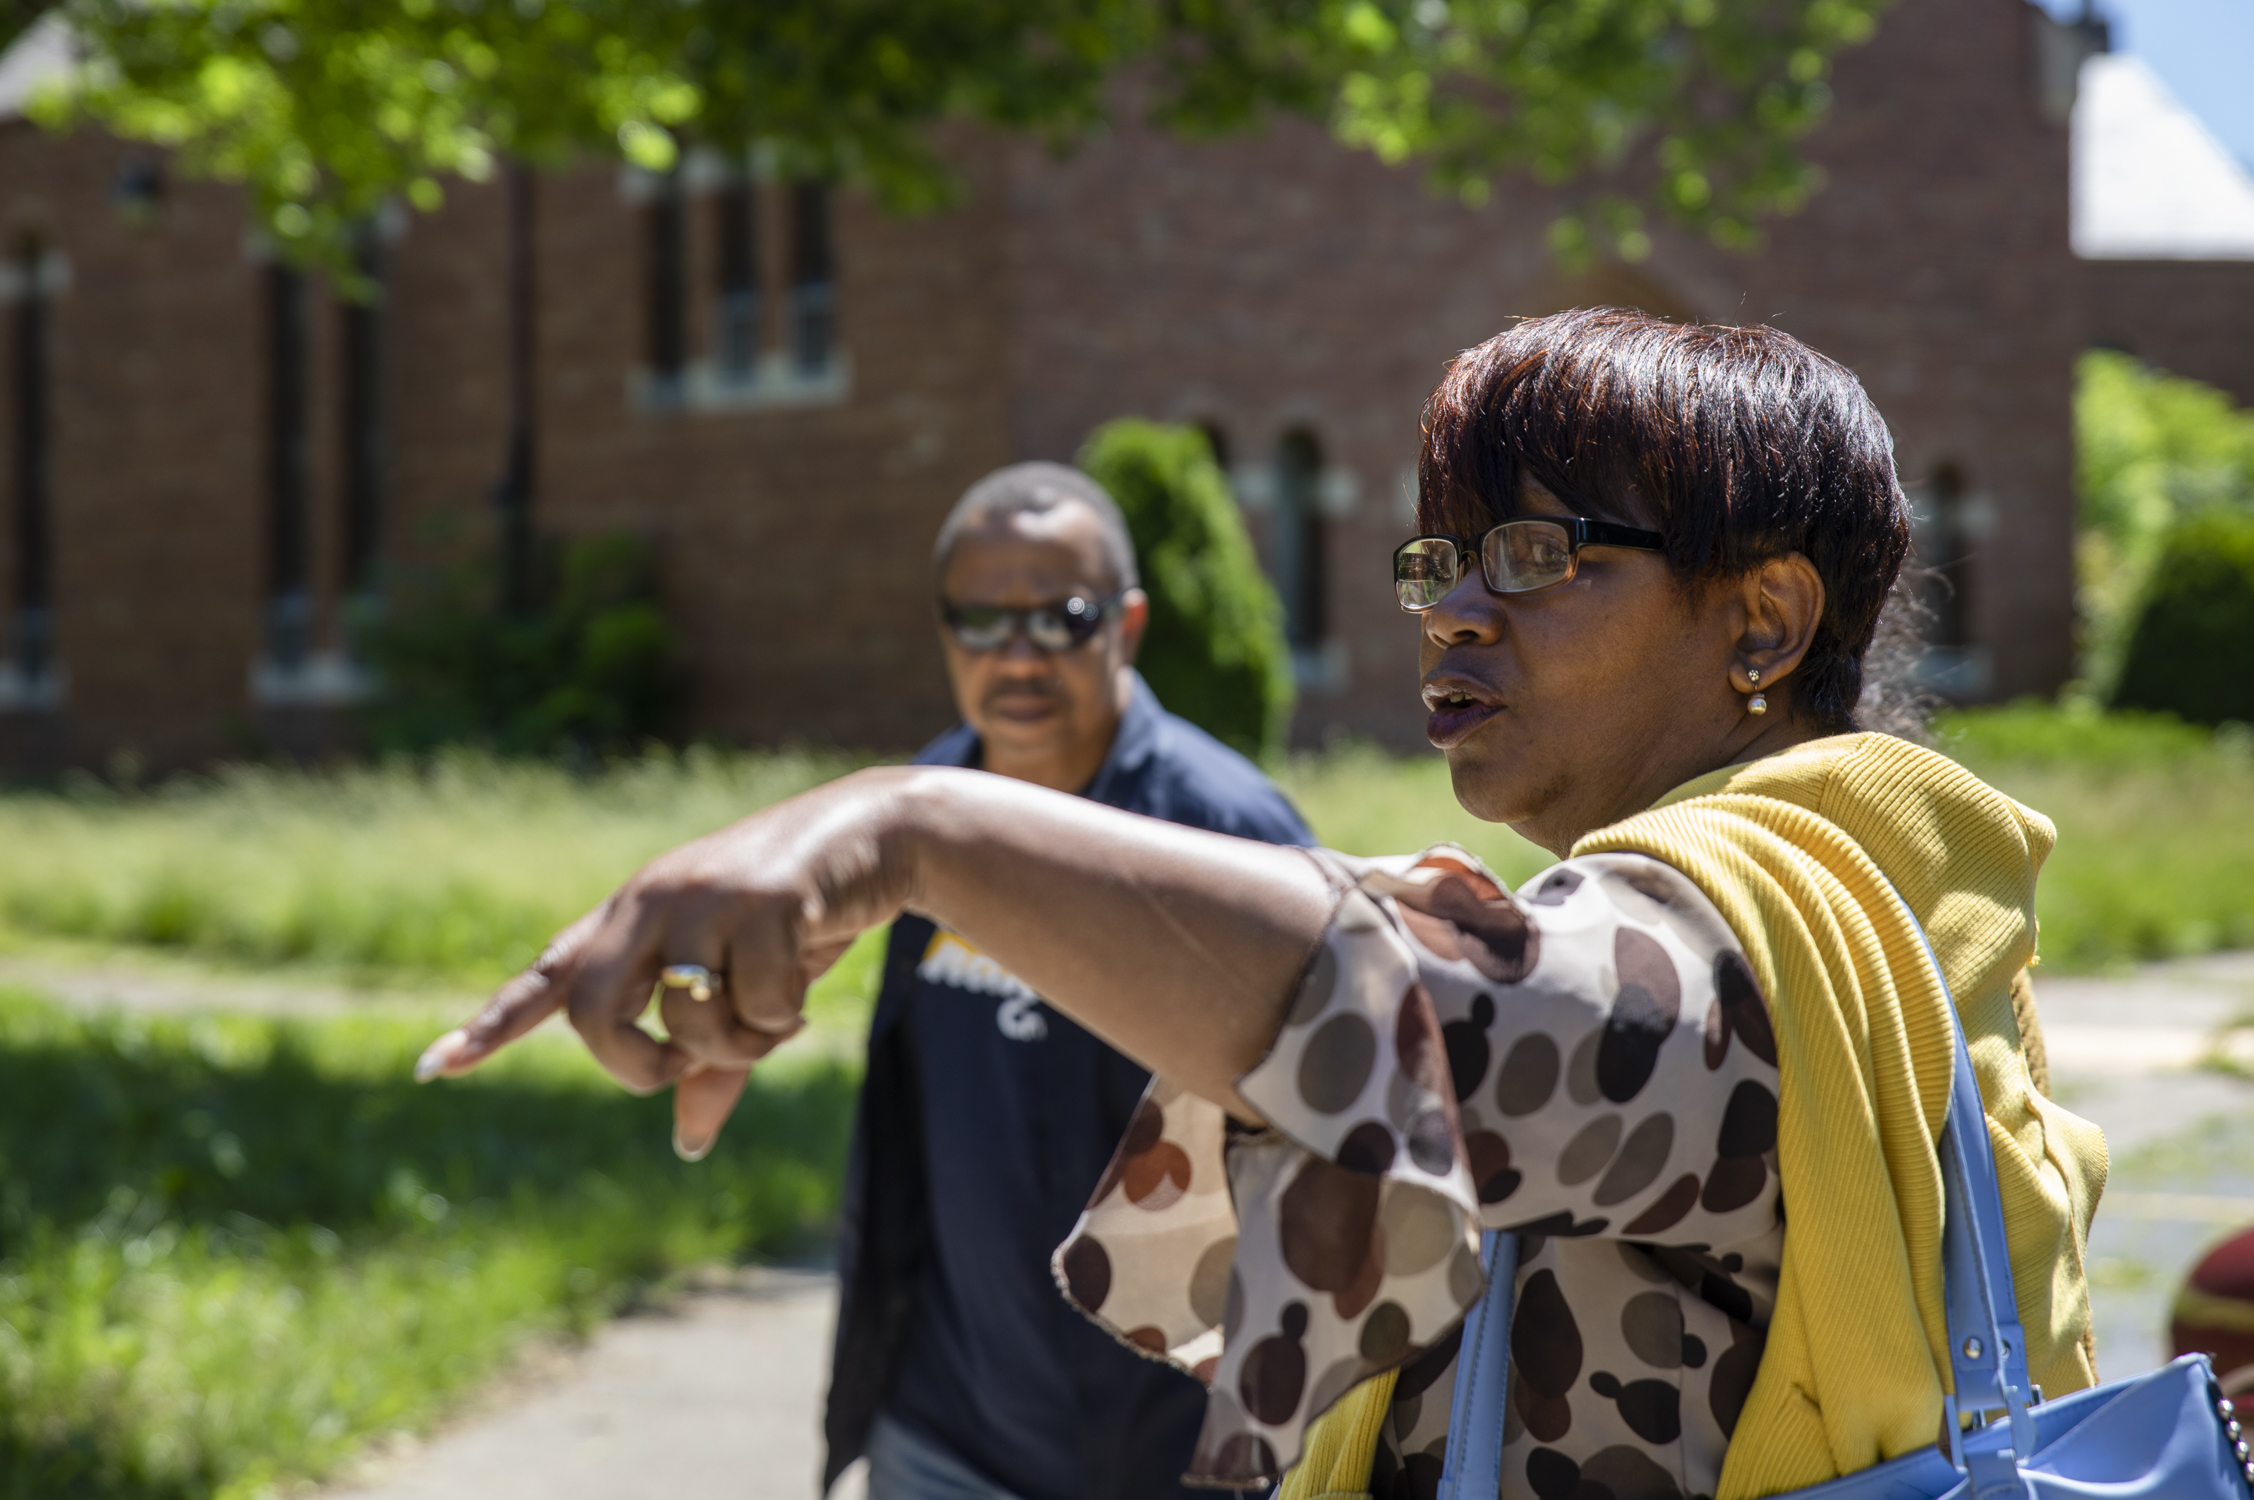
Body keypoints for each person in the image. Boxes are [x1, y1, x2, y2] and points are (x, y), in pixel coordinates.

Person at [420, 310, 2107, 1500]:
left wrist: (911, 830)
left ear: (1761, 620)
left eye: (1530, 555)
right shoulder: (1863, 919)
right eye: (1434, 559)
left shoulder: (1745, 956)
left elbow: (1412, 1019)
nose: (1449, 612)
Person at [772, 460, 1317, 1500]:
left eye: (1061, 617)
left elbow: (1324, 1130)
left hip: (1177, 1451)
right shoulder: (914, 825)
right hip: (942, 1435)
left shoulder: (1225, 833)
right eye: (981, 620)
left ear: (1129, 624)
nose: (1016, 655)